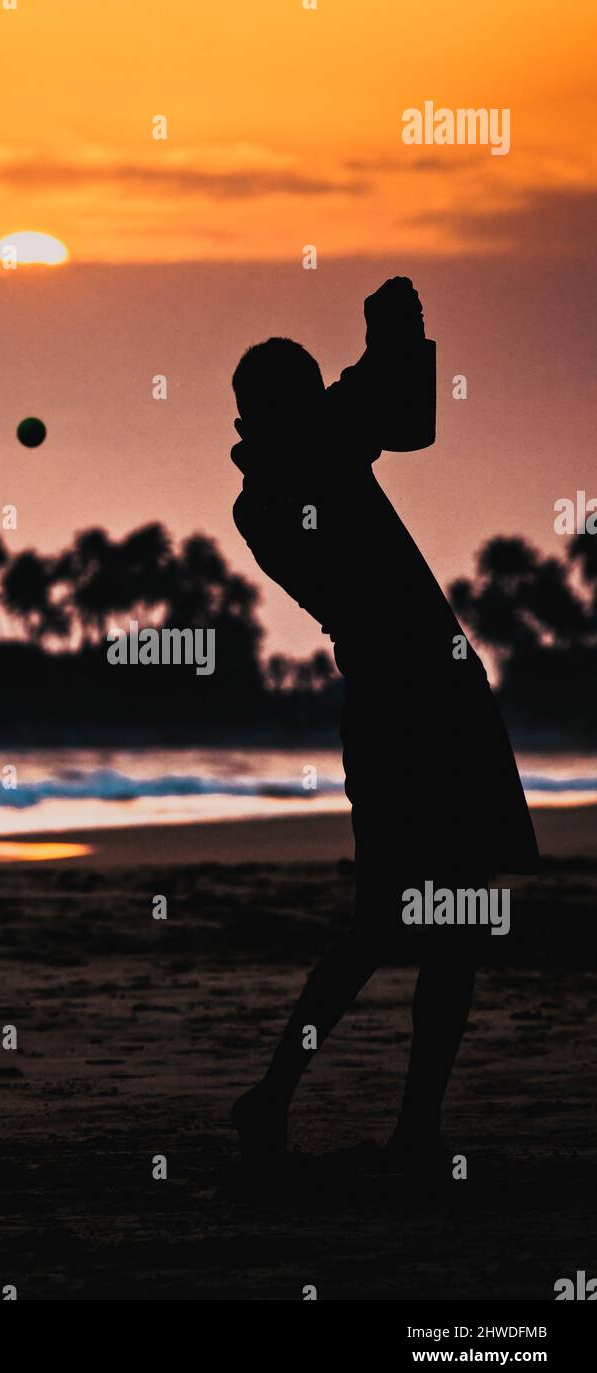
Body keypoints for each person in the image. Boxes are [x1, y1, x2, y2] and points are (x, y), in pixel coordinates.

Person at [229, 277, 539, 1173]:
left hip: (406, 701)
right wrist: (392, 334)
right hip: (418, 705)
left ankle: (358, 1117)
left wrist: (388, 345)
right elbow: (403, 416)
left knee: (419, 923)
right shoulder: (304, 467)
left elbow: (392, 415)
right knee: (409, 922)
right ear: (279, 408)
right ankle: (333, 1111)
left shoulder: (282, 474)